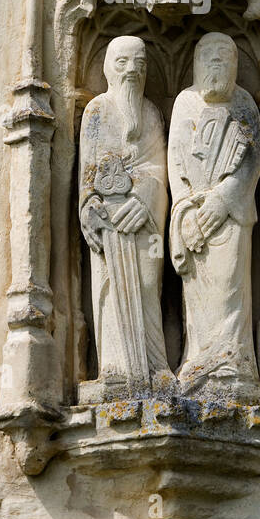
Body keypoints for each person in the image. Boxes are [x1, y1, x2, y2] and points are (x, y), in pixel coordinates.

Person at [168, 32, 260, 402]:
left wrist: (223, 200)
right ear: (195, 64)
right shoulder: (184, 103)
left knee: (229, 287)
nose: (216, 64)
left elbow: (252, 163)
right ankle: (199, 359)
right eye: (208, 57)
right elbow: (175, 160)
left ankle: (232, 365)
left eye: (224, 57)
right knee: (197, 292)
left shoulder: (244, 104)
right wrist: (185, 209)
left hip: (230, 216)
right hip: (193, 214)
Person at [79, 35, 171, 394]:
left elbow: (159, 166)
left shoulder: (150, 113)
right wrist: (90, 205)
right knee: (107, 287)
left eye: (139, 63)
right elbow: (88, 167)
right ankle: (115, 369)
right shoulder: (96, 111)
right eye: (123, 62)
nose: (132, 70)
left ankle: (153, 366)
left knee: (149, 284)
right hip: (107, 221)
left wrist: (146, 197)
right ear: (108, 68)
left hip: (144, 219)